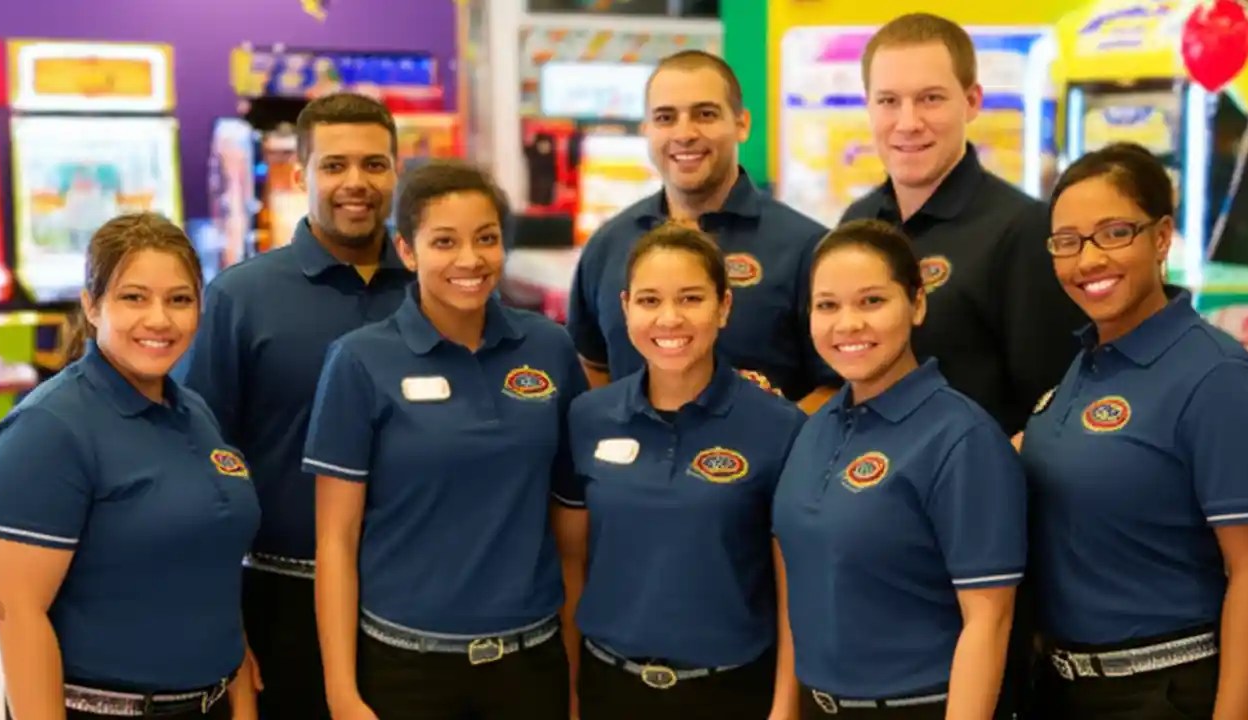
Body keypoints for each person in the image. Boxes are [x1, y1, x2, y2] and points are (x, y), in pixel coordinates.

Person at [839, 16, 1088, 716]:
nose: (907, 121)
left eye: (930, 98)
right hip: (879, 557)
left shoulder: (1019, 229)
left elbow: (1053, 409)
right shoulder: (860, 223)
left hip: (979, 569)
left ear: (973, 101)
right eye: (888, 100)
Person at [303, 160, 584, 720]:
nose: (469, 260)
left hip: (529, 663)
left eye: (486, 239)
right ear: (406, 251)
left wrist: (574, 680)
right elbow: (336, 540)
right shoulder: (360, 361)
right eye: (444, 241)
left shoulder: (550, 350)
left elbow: (570, 530)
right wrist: (341, 692)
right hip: (406, 669)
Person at [177, 92, 414, 719]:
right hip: (280, 599)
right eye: (334, 165)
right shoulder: (240, 299)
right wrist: (221, 627)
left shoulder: (433, 291)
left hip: (417, 601)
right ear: (297, 173)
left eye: (374, 164)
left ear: (397, 171)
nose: (355, 183)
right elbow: (198, 472)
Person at [0, 213, 261, 719]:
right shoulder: (45, 431)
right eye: (134, 297)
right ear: (91, 305)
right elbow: (17, 613)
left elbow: (209, 562)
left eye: (179, 299)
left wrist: (238, 700)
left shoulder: (194, 412)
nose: (159, 319)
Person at [1020, 143, 1248, 720]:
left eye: (1114, 232)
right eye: (1067, 242)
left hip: (1163, 691)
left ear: (1160, 237)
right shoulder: (1086, 362)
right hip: (1060, 686)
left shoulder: (1215, 375)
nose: (1088, 260)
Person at [773, 219, 1026, 719]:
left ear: (917, 304)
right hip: (817, 702)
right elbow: (797, 585)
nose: (847, 325)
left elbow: (989, 622)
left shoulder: (961, 438)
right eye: (828, 305)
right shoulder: (813, 427)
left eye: (871, 301)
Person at [560, 224, 805, 719]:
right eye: (649, 300)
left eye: (691, 298)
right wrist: (569, 694)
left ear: (724, 307)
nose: (669, 318)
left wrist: (785, 708)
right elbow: (571, 566)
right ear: (626, 306)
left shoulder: (780, 427)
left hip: (733, 693)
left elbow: (795, 592)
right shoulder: (588, 418)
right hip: (611, 689)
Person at [567, 50, 835, 412]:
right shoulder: (607, 246)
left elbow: (838, 385)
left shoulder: (809, 248)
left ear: (742, 123)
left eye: (705, 114)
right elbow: (594, 368)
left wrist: (773, 447)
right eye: (665, 118)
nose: (685, 133)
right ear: (646, 130)